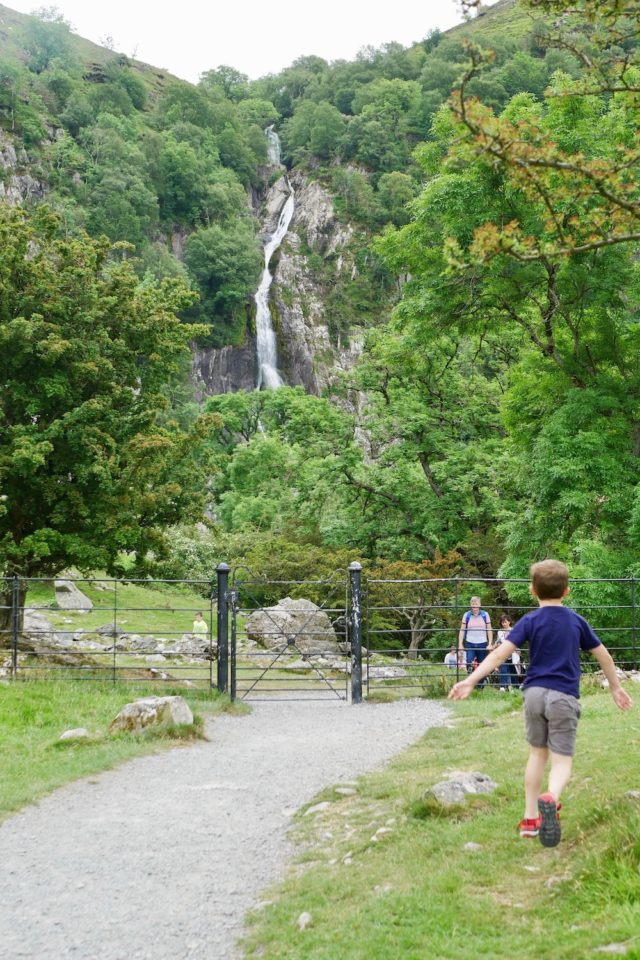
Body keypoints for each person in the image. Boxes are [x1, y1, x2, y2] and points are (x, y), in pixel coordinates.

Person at [448, 560, 632, 847]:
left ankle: (530, 817)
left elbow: (498, 655)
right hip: (564, 696)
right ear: (567, 590)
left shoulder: (529, 621)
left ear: (533, 590)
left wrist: (470, 680)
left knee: (537, 754)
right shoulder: (576, 621)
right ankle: (552, 797)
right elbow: (604, 656)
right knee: (562, 760)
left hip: (533, 694)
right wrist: (616, 688)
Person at [458, 596, 493, 685]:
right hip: (470, 642)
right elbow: (462, 630)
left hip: (482, 643)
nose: (474, 606)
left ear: (480, 605)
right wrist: (460, 644)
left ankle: (480, 685)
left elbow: (489, 629)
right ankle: (472, 682)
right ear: (470, 605)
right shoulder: (467, 615)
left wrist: (490, 643)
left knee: (482, 664)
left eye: (476, 603)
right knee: (469, 662)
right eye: (473, 604)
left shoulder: (485, 615)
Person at [495, 614, 514, 691]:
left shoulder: (514, 630)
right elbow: (498, 642)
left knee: (513, 671)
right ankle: (502, 687)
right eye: (502, 622)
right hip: (503, 653)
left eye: (505, 622)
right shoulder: (499, 632)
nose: (504, 624)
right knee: (503, 670)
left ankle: (514, 688)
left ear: (509, 622)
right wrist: (493, 647)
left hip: (513, 653)